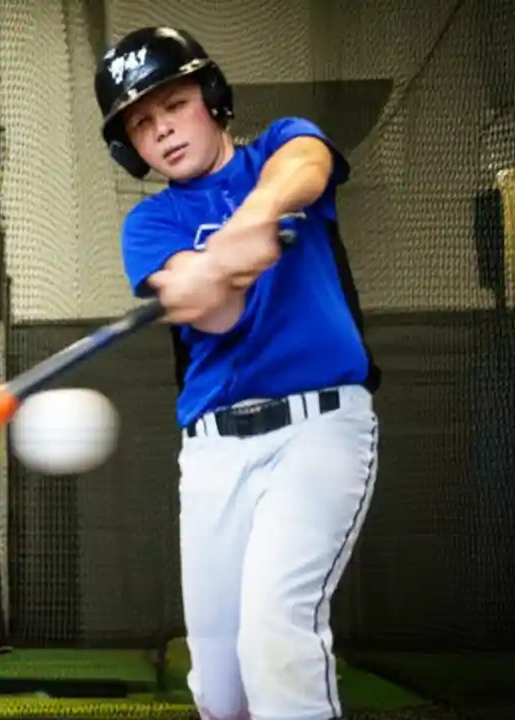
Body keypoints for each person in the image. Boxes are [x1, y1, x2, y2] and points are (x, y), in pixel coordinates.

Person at [93, 27, 382, 720]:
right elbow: (215, 316)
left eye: (175, 105)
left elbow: (308, 165)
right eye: (141, 123)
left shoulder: (277, 148)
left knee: (276, 637)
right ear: (128, 147)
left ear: (212, 98)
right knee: (221, 692)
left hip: (320, 430)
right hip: (216, 450)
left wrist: (257, 214)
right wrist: (211, 274)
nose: (162, 131)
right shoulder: (150, 224)